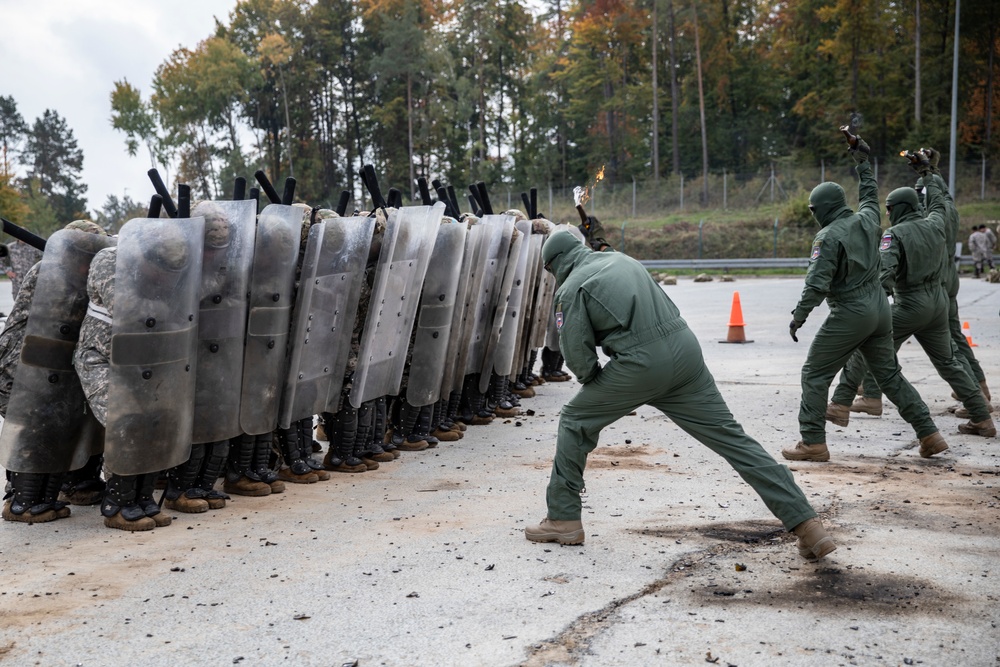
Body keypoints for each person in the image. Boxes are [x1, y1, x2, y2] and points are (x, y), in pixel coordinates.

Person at [525, 224, 836, 561]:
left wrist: (602, 386)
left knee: (575, 420)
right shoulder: (622, 259)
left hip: (640, 364)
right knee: (733, 439)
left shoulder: (570, 289)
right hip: (685, 351)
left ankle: (563, 517)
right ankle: (807, 524)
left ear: (554, 263)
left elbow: (579, 359)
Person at [783, 132, 947, 462]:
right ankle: (929, 432)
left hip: (851, 311)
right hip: (880, 308)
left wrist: (799, 316)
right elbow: (870, 195)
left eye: (814, 210)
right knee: (889, 374)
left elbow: (817, 283)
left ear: (822, 209)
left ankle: (812, 441)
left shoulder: (827, 237)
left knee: (814, 374)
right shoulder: (868, 219)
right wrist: (862, 161)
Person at [828, 152, 995, 444]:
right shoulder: (936, 224)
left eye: (890, 208)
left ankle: (846, 402)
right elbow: (941, 201)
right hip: (939, 303)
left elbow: (886, 273)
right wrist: (928, 173)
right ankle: (982, 416)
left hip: (911, 303)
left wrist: (875, 300)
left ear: (900, 208)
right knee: (948, 362)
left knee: (866, 342)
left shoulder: (894, 234)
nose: (888, 213)